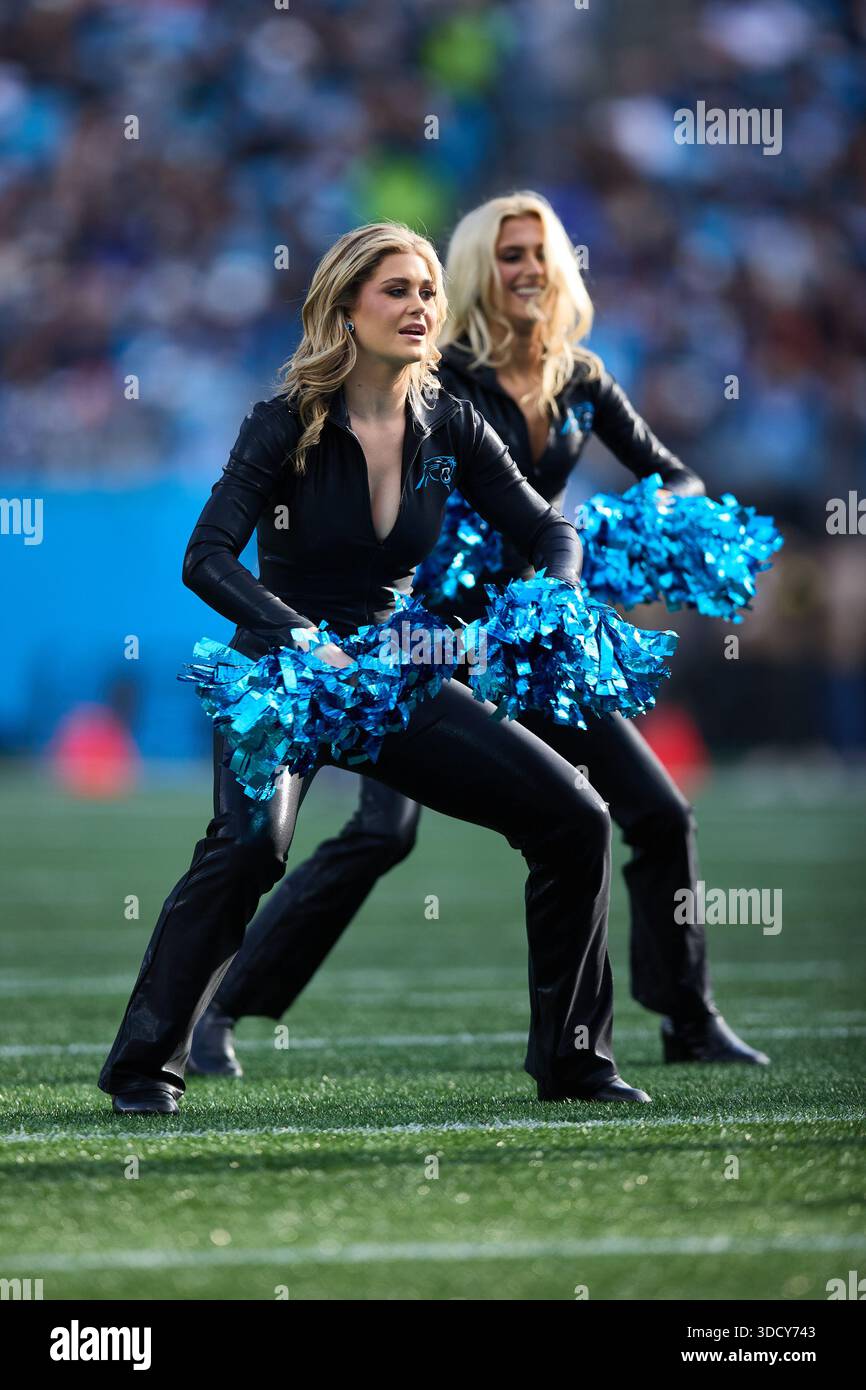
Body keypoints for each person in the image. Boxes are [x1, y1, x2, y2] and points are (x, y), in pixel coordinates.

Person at [189, 193, 768, 1082]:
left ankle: (685, 1018)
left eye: (541, 253)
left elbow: (674, 481)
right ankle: (220, 1006)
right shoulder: (437, 374)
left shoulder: (580, 380)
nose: (530, 269)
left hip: (525, 644)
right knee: (381, 835)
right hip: (430, 637)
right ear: (470, 275)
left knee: (651, 809)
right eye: (508, 256)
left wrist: (609, 536)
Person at [99, 218, 652, 1116]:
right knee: (248, 846)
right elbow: (205, 558)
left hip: (395, 669)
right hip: (283, 669)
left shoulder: (453, 424)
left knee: (574, 817)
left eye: (429, 290)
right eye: (397, 290)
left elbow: (551, 527)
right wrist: (299, 637)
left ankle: (576, 1063)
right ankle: (143, 1067)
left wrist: (551, 598)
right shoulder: (285, 421)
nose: (421, 306)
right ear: (346, 309)